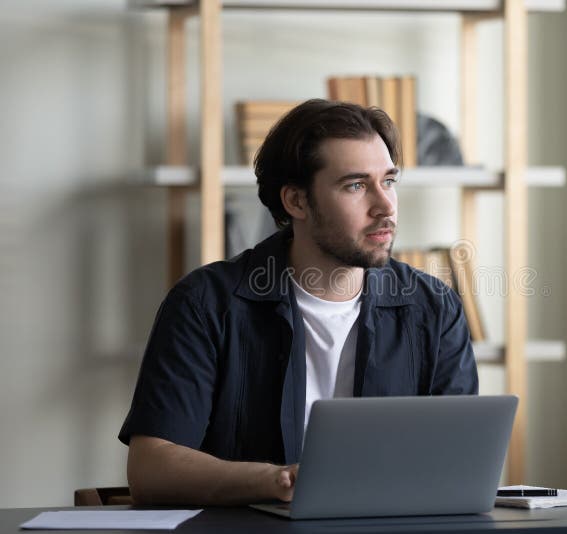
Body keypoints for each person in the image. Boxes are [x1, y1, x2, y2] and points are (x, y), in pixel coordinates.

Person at [118, 99, 478, 505]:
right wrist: (280, 481)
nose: (385, 206)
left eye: (389, 181)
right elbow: (152, 469)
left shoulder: (435, 309)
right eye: (356, 185)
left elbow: (461, 463)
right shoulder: (204, 304)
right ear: (296, 202)